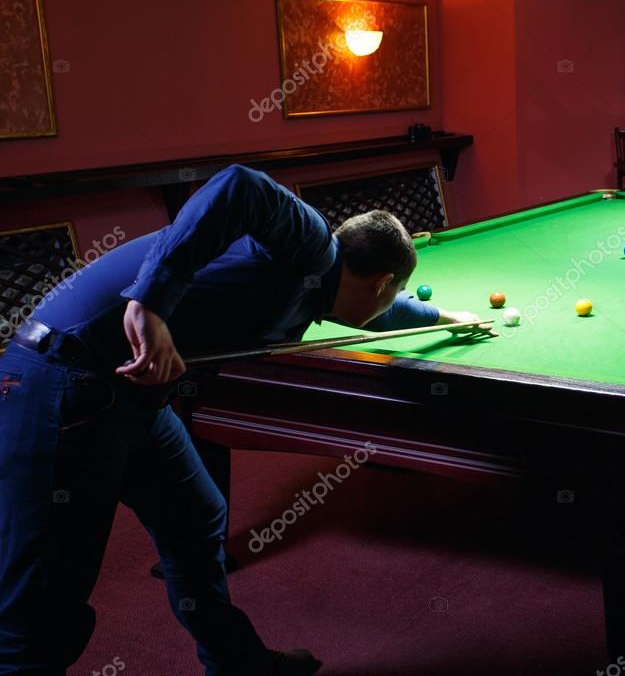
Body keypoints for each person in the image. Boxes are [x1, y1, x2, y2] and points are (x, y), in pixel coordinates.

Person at [0, 164, 487, 676]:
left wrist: (443, 318)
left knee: (196, 516)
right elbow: (238, 184)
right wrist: (151, 303)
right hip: (57, 386)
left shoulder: (325, 281)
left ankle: (236, 663)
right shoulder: (308, 243)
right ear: (383, 280)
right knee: (41, 603)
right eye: (391, 291)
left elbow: (379, 313)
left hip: (127, 397)